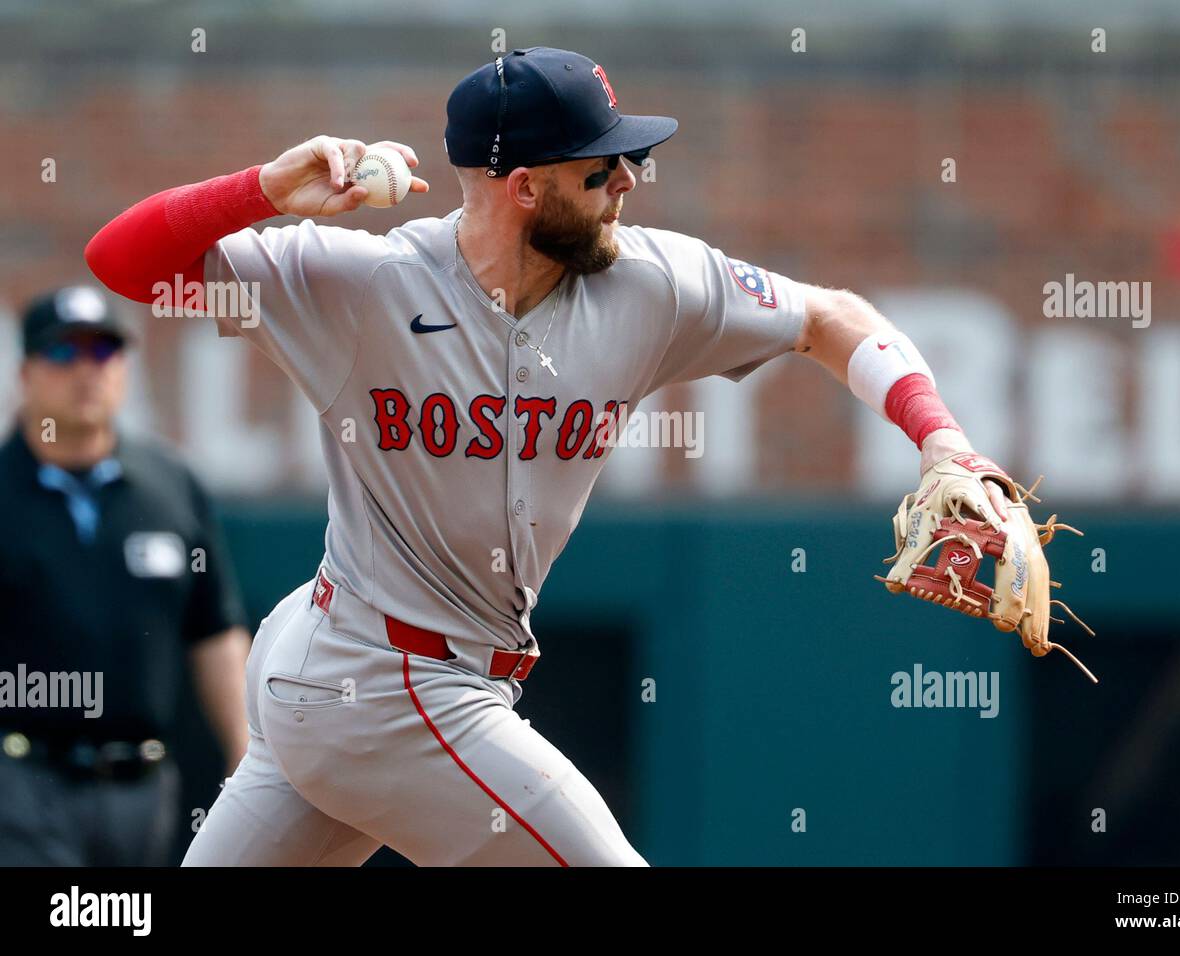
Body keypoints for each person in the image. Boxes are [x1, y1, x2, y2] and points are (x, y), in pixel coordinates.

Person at [84, 46, 1010, 866]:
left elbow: (827, 317)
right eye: (605, 167)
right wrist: (263, 192)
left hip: (363, 679)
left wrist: (943, 440)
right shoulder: (361, 284)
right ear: (527, 186)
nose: (630, 183)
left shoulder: (650, 284)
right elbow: (120, 261)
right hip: (386, 679)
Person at [0, 286, 251, 866]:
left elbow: (213, 628)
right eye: (63, 354)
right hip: (24, 778)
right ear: (26, 372)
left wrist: (244, 743)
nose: (86, 372)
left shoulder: (169, 486)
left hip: (143, 784)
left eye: (103, 353)